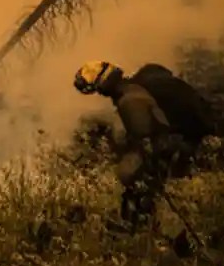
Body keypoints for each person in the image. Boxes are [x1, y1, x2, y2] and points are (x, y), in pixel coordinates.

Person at [73, 60, 210, 229]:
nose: (99, 94)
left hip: (173, 143)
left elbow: (145, 138)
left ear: (103, 84)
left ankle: (138, 225)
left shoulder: (130, 99)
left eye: (97, 89)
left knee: (131, 175)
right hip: (181, 139)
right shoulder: (135, 90)